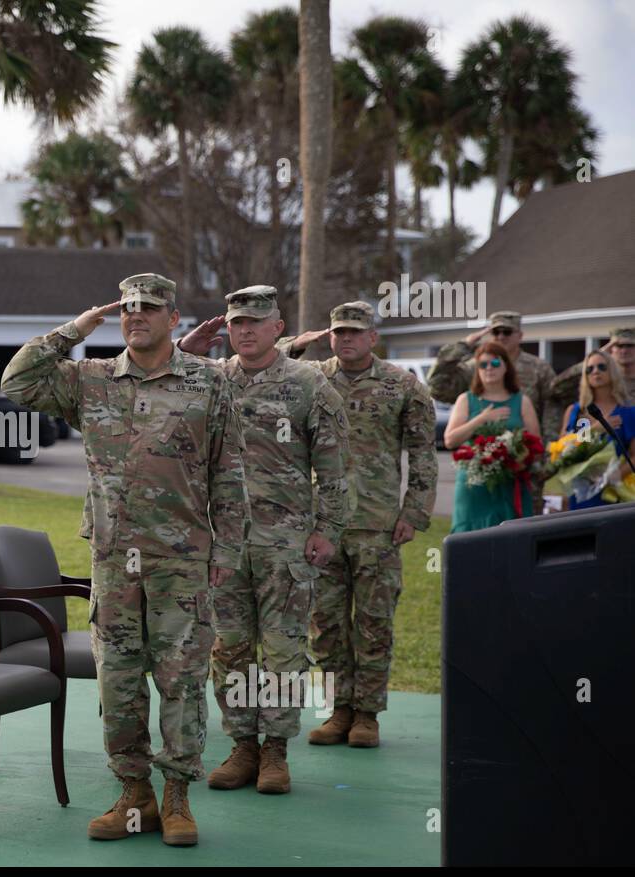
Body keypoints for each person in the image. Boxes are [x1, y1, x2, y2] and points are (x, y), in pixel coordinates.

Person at [2, 272, 250, 847]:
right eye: (127, 309)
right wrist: (75, 328)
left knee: (181, 681)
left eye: (149, 308)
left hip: (183, 559)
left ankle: (178, 797)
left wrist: (228, 550)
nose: (135, 316)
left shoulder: (209, 385)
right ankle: (134, 795)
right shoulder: (91, 381)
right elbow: (17, 382)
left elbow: (229, 472)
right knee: (118, 682)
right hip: (116, 560)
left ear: (173, 318)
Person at [220, 301, 439, 748]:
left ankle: (367, 714)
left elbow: (423, 454)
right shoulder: (314, 377)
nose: (346, 340)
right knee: (326, 623)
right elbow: (261, 355)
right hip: (318, 524)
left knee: (374, 622)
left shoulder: (403, 386)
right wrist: (296, 341)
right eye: (339, 332)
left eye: (356, 332)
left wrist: (414, 512)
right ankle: (339, 709)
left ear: (373, 337)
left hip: (377, 523)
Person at [179, 286, 350, 794]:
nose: (245, 330)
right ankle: (243, 746)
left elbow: (335, 468)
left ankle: (275, 750)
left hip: (287, 543)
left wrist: (329, 528)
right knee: (229, 649)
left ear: (279, 328)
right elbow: (163, 374)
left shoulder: (308, 384)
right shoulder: (214, 379)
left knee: (282, 650)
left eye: (256, 321)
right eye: (236, 323)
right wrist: (189, 346)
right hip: (224, 545)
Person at [444, 341, 541, 532]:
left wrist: (519, 459)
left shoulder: (522, 401)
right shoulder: (466, 399)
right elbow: (450, 440)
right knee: (470, 542)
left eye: (495, 363)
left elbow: (536, 445)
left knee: (512, 541)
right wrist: (481, 419)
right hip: (474, 485)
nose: (489, 368)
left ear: (506, 367)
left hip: (511, 482)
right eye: (483, 364)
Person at [428, 310, 557, 441]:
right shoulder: (477, 366)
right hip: (477, 452)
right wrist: (464, 345)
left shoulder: (539, 368)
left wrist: (549, 448)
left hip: (523, 448)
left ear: (520, 335)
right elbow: (436, 385)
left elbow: (552, 408)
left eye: (507, 332)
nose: (501, 337)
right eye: (496, 332)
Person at [560, 350, 635, 511]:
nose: (596, 372)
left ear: (612, 371)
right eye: (590, 369)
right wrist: (596, 429)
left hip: (616, 492)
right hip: (581, 493)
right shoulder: (577, 411)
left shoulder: (628, 412)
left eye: (601, 367)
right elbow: (565, 450)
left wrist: (613, 477)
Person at [551, 328, 635, 417]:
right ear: (611, 349)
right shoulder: (600, 381)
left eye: (630, 346)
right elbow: (556, 388)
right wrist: (597, 358)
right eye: (619, 346)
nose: (624, 351)